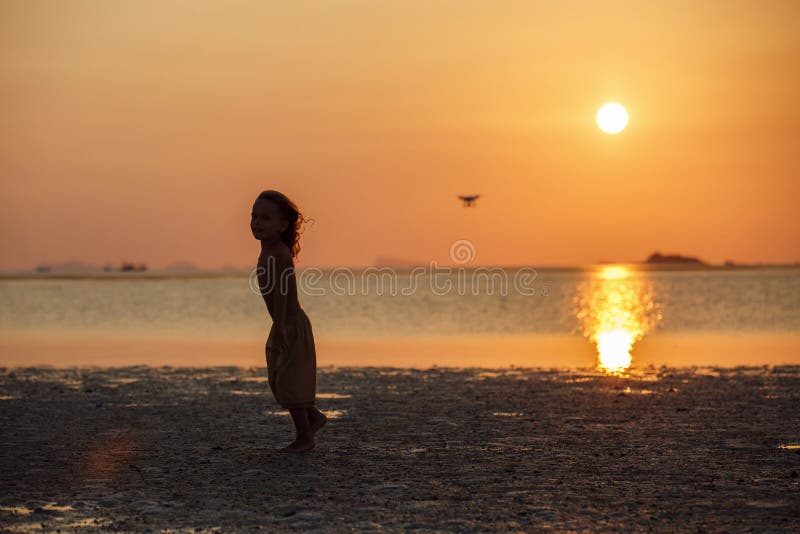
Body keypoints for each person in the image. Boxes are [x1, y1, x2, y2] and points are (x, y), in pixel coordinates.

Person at [251, 190, 326, 453]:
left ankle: (305, 437)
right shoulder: (267, 251)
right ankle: (313, 417)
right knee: (279, 380)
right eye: (254, 216)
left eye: (266, 218)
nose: (257, 222)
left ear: (283, 225)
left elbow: (282, 291)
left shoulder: (280, 254)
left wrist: (281, 324)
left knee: (291, 384)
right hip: (281, 323)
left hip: (290, 323)